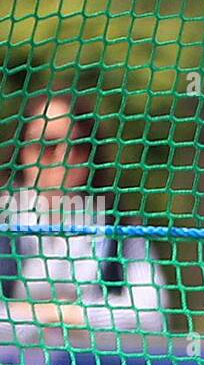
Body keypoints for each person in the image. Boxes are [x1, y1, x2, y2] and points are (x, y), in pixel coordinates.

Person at [0, 92, 168, 336]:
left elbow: (151, 315)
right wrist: (47, 314)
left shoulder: (116, 223)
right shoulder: (4, 218)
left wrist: (75, 315)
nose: (63, 157)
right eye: (47, 145)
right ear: (23, 151)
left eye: (77, 146)